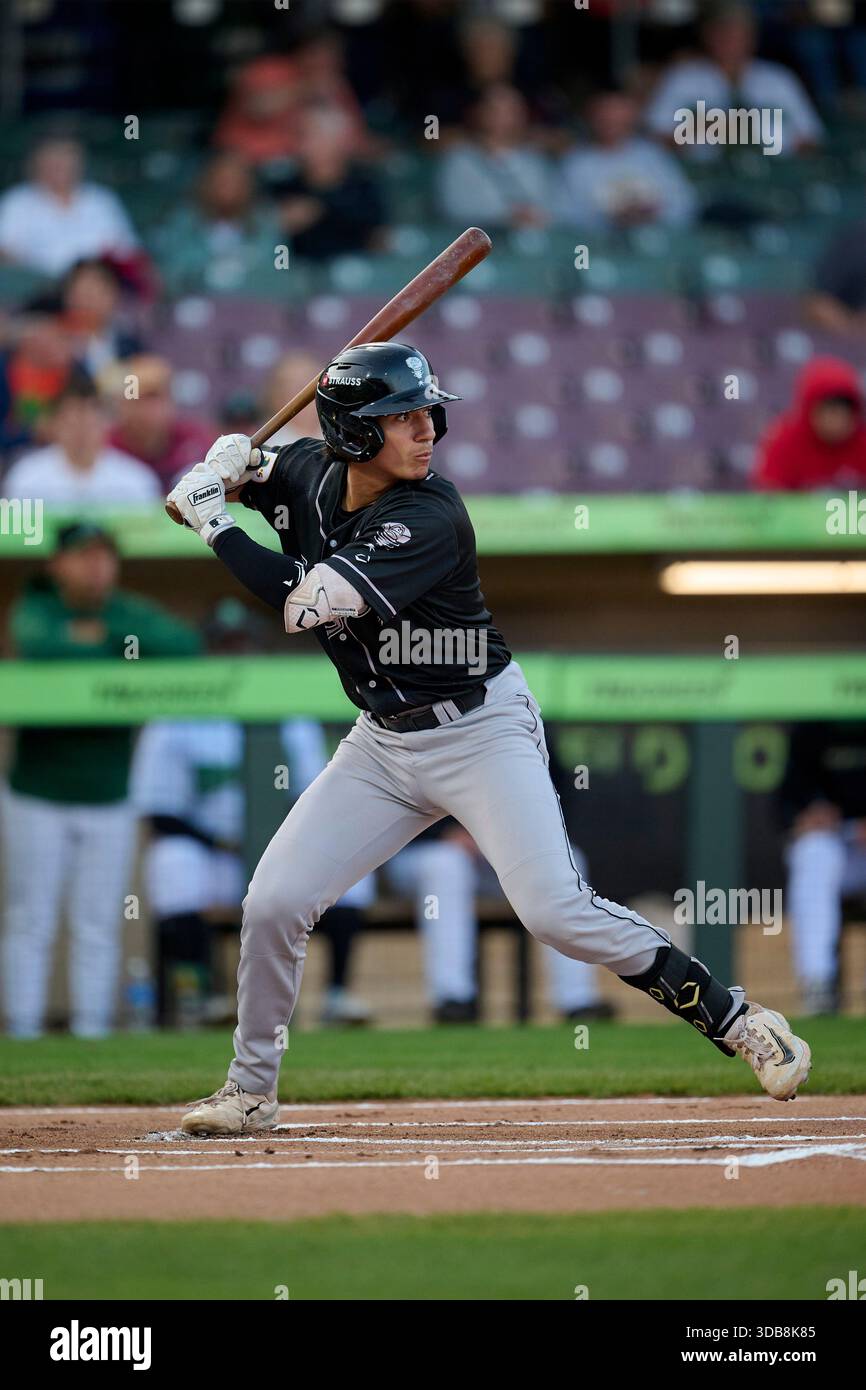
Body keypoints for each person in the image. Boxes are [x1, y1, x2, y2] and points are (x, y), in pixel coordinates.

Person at [166, 341, 811, 1135]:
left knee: (553, 912)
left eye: (425, 413)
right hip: (382, 741)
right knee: (273, 901)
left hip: (479, 729)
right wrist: (236, 464)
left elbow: (302, 605)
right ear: (355, 435)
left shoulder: (429, 514)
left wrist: (211, 517)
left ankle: (742, 1021)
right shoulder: (306, 467)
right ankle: (250, 1090)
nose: (425, 430)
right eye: (399, 417)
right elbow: (271, 474)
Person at [132, 600, 373, 1028]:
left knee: (352, 878)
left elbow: (315, 795)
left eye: (244, 644)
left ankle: (338, 995)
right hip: (213, 855)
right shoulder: (176, 714)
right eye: (225, 645)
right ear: (208, 652)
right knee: (172, 863)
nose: (236, 654)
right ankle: (198, 996)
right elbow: (160, 813)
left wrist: (280, 844)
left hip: (278, 850)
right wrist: (224, 844)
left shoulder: (288, 714)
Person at [1, 522, 199, 1038]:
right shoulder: (39, 606)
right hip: (36, 789)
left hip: (110, 789)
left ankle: (92, 1030)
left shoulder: (123, 610)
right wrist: (115, 650)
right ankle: (22, 1029)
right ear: (57, 564)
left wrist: (103, 637)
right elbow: (41, 648)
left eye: (103, 556)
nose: (95, 567)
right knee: (30, 919)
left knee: (98, 921)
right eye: (82, 556)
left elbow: (181, 644)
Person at [385, 823, 615, 1023]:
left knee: (566, 856)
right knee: (446, 864)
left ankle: (578, 1002)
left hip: (505, 853)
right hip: (424, 851)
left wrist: (506, 837)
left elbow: (554, 798)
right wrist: (444, 833)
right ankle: (452, 1000)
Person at [644, 2, 822, 158]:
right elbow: (653, 137)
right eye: (722, 31)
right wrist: (702, 128)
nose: (730, 38)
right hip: (706, 174)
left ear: (752, 36)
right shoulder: (683, 76)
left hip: (774, 174)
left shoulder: (778, 78)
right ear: (706, 35)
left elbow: (811, 139)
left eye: (738, 31)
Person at [779, 722, 866, 1015]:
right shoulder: (814, 729)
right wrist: (811, 813)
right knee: (813, 851)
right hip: (840, 844)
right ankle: (818, 984)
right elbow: (787, 806)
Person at [3, 375, 159, 505]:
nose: (81, 432)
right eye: (72, 422)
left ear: (106, 423)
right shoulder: (26, 479)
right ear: (55, 424)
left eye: (90, 423)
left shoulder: (135, 481)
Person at [557, 88, 697, 230]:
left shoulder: (653, 155)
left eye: (618, 119)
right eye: (605, 119)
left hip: (656, 238)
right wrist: (610, 218)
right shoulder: (575, 163)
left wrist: (653, 213)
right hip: (601, 245)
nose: (611, 124)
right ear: (591, 119)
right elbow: (566, 215)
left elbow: (684, 203)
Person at [0, 136, 138, 277]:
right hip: (40, 289)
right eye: (53, 157)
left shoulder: (102, 199)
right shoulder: (16, 202)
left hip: (99, 287)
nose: (61, 164)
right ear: (37, 162)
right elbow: (4, 253)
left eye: (68, 156)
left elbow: (127, 251)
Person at [153, 152, 283, 291]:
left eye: (236, 181)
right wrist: (207, 272)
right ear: (207, 182)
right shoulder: (181, 221)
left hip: (252, 302)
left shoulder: (266, 223)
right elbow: (169, 269)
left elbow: (278, 270)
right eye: (221, 180)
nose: (227, 187)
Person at [435, 84, 556, 230]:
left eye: (511, 111)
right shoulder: (459, 159)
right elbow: (453, 209)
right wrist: (506, 217)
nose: (503, 118)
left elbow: (552, 209)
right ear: (480, 113)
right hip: (478, 246)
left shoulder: (535, 160)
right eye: (495, 110)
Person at [271, 109, 385, 262]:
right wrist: (275, 223)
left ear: (338, 141)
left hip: (356, 275)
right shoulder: (284, 187)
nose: (303, 145)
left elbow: (380, 237)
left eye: (313, 136)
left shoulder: (365, 186)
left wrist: (318, 209)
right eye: (300, 137)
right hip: (296, 276)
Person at [752, 356, 866, 490]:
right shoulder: (783, 441)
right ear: (810, 410)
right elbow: (767, 495)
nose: (838, 423)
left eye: (845, 414)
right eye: (830, 412)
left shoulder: (862, 442)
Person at [105, 354, 214, 490]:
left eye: (155, 398)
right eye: (138, 400)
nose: (148, 409)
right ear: (124, 406)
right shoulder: (108, 446)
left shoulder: (194, 440)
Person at [0, 310, 74, 460]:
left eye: (61, 338)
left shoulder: (75, 374)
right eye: (49, 339)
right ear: (27, 344)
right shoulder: (5, 373)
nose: (59, 347)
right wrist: (32, 434)